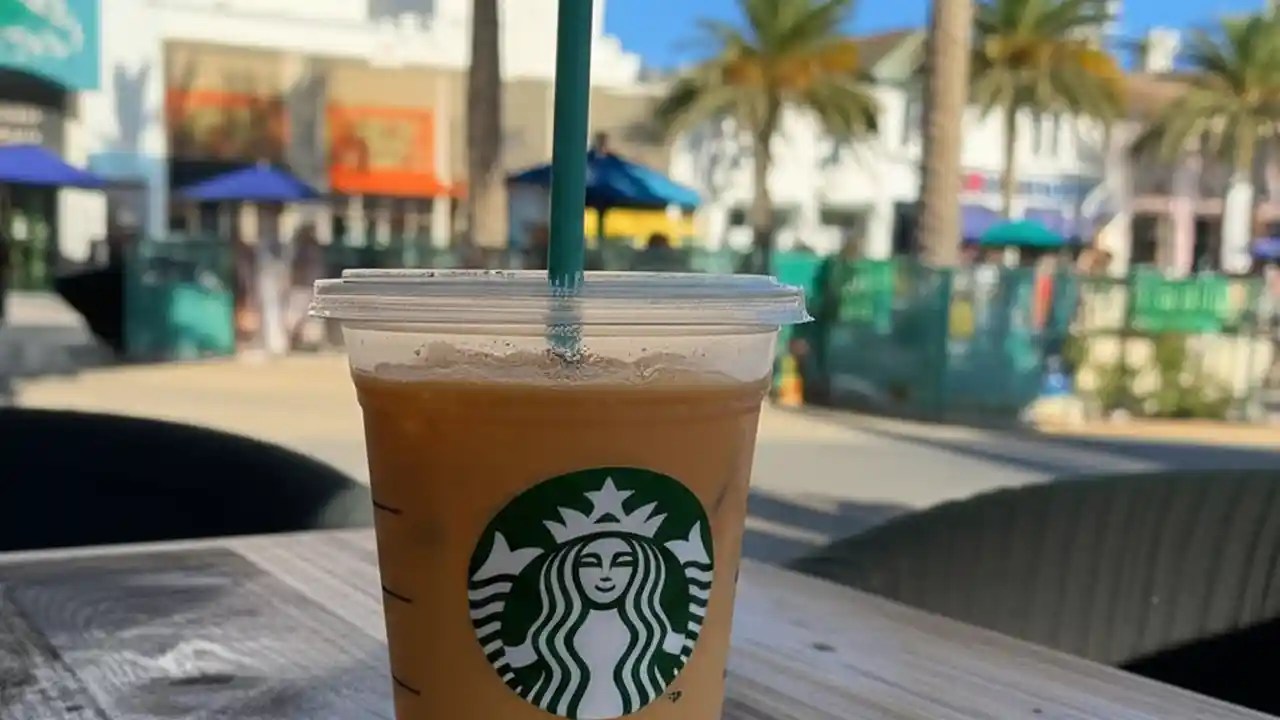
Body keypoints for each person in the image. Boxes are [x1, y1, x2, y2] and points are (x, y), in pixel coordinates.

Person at [288, 224, 326, 350]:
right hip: (301, 288)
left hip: (311, 288)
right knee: (295, 317)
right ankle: (292, 342)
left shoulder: (314, 250)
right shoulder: (300, 250)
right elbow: (296, 269)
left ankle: (310, 344)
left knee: (312, 319)